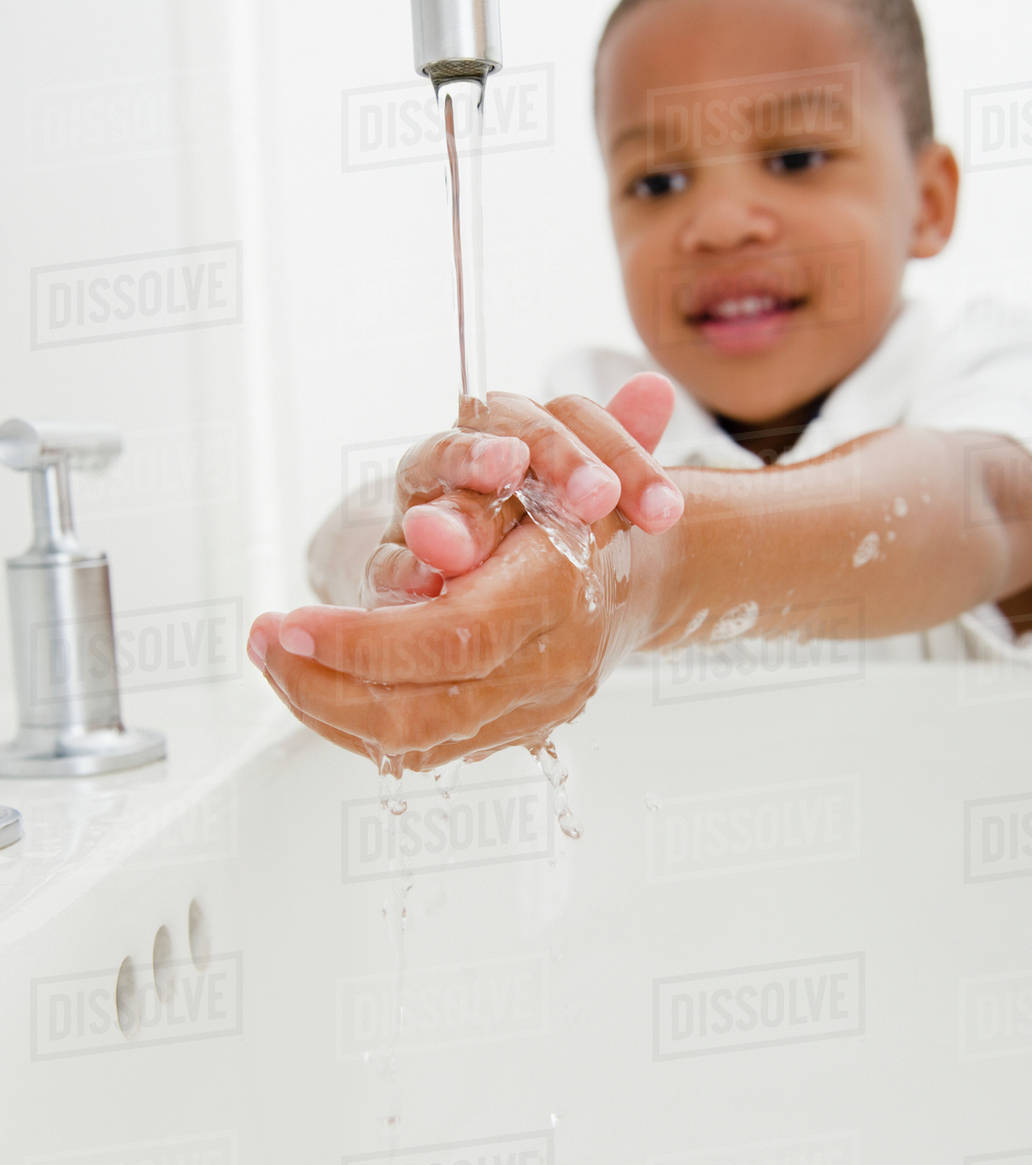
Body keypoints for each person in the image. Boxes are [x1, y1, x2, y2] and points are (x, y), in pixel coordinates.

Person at [246, 0, 1032, 772]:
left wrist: (649, 571)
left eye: (796, 159)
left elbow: (985, 505)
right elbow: (342, 535)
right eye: (658, 182)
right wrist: (433, 550)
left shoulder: (983, 370)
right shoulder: (586, 417)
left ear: (929, 202)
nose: (720, 223)